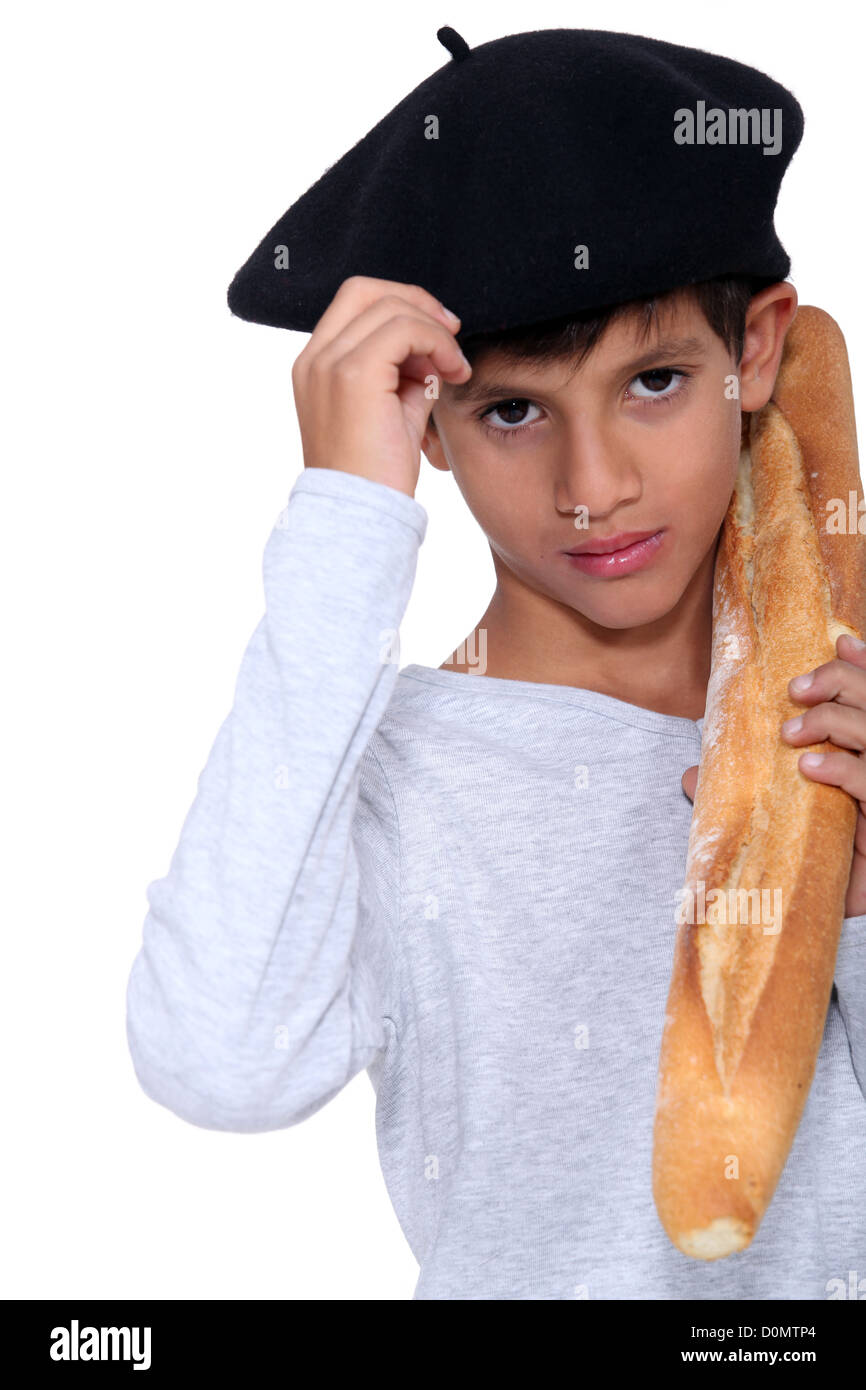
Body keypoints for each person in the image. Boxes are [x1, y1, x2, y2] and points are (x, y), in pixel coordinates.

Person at [125, 27, 866, 1299]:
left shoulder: (837, 709)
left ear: (753, 354)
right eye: (513, 410)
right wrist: (345, 518)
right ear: (424, 420)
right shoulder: (394, 782)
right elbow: (217, 1058)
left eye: (653, 380)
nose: (595, 490)